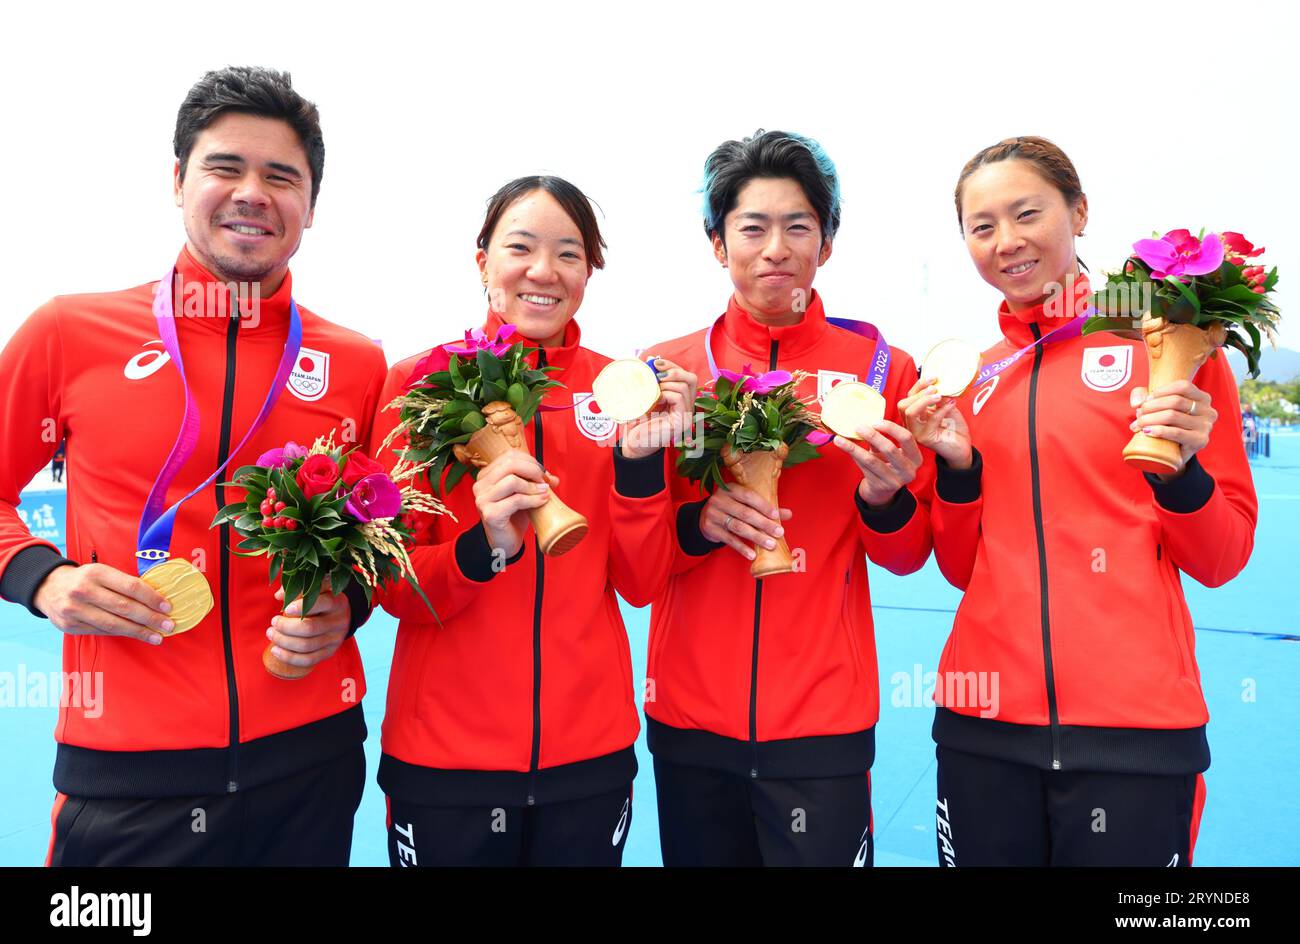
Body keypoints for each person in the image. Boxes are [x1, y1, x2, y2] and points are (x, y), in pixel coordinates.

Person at [0, 67, 390, 866]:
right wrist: (42, 577)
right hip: (129, 778)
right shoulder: (70, 332)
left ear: (310, 207)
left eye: (282, 176)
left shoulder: (356, 362)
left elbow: (379, 538)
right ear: (178, 181)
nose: (253, 192)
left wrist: (347, 605)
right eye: (226, 167)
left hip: (310, 763)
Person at [904, 135, 1257, 866]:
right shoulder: (974, 381)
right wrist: (959, 470)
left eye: (1026, 213)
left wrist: (1180, 474)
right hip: (982, 729)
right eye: (982, 226)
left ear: (1080, 212)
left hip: (1137, 733)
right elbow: (961, 566)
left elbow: (1222, 557)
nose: (1007, 242)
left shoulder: (1169, 345)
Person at [370, 175, 692, 866]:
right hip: (445, 759)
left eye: (569, 253)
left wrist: (639, 466)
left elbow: (640, 583)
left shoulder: (621, 391)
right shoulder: (415, 385)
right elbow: (392, 585)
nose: (543, 271)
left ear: (589, 271)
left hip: (589, 755)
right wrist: (482, 546)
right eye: (521, 247)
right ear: (482, 259)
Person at [639, 130, 933, 866]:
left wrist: (885, 495)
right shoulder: (666, 372)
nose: (775, 248)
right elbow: (636, 561)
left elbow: (906, 555)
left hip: (822, 722)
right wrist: (698, 523)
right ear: (717, 243)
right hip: (691, 719)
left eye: (798, 225)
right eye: (752, 227)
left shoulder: (881, 371)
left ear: (827, 243)